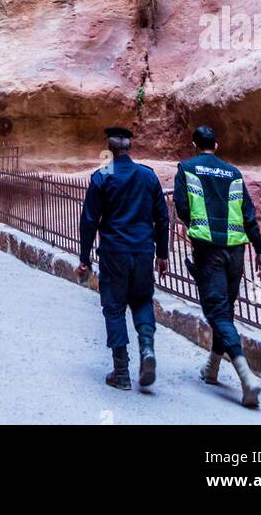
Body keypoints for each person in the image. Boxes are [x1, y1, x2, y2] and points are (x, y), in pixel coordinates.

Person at [173, 125, 261, 408]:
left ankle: (247, 377)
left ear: (194, 144)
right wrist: (260, 249)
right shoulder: (233, 173)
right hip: (236, 249)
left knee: (217, 312)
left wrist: (193, 227)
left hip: (208, 249)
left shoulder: (187, 168)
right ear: (217, 144)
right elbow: (248, 214)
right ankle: (212, 369)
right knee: (225, 310)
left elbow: (181, 206)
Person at [78, 126, 170, 391]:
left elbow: (89, 220)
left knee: (114, 307)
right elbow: (162, 218)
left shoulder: (102, 176)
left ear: (109, 150)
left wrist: (84, 257)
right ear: (129, 148)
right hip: (143, 250)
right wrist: (162, 254)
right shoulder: (148, 176)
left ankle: (121, 372)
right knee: (142, 300)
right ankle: (147, 349)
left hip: (113, 251)